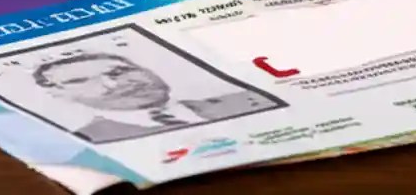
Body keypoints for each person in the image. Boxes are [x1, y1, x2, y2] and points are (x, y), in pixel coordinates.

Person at [31, 53, 275, 143]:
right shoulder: (86, 142)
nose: (114, 83)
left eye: (120, 71)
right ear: (58, 94)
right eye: (81, 81)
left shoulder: (252, 100)